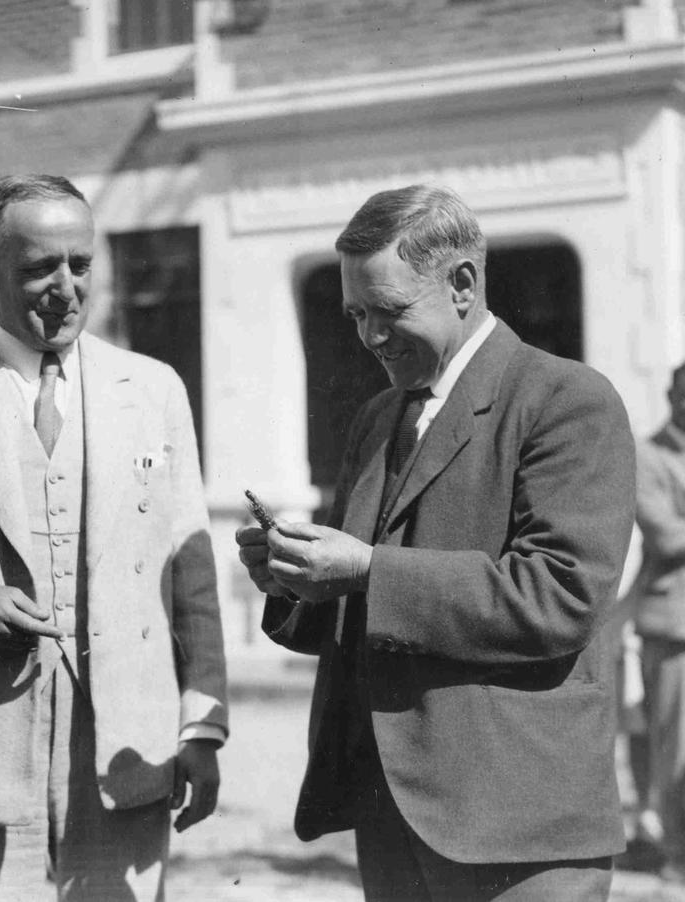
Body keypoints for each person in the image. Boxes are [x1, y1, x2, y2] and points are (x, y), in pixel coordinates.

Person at [236, 184, 636, 901]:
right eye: (356, 315)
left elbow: (560, 596)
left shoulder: (567, 400)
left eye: (389, 312)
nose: (370, 338)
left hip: (519, 828)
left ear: (462, 284)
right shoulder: (378, 416)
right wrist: (292, 574)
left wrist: (364, 570)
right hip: (391, 814)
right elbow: (362, 595)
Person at [0, 174, 228, 900]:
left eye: (81, 264)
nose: (65, 288)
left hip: (124, 745)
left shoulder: (154, 390)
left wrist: (201, 727)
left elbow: (187, 568)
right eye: (38, 268)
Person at [627, 361, 685, 883]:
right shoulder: (646, 454)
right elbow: (666, 537)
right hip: (674, 625)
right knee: (676, 747)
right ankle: (677, 856)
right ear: (672, 394)